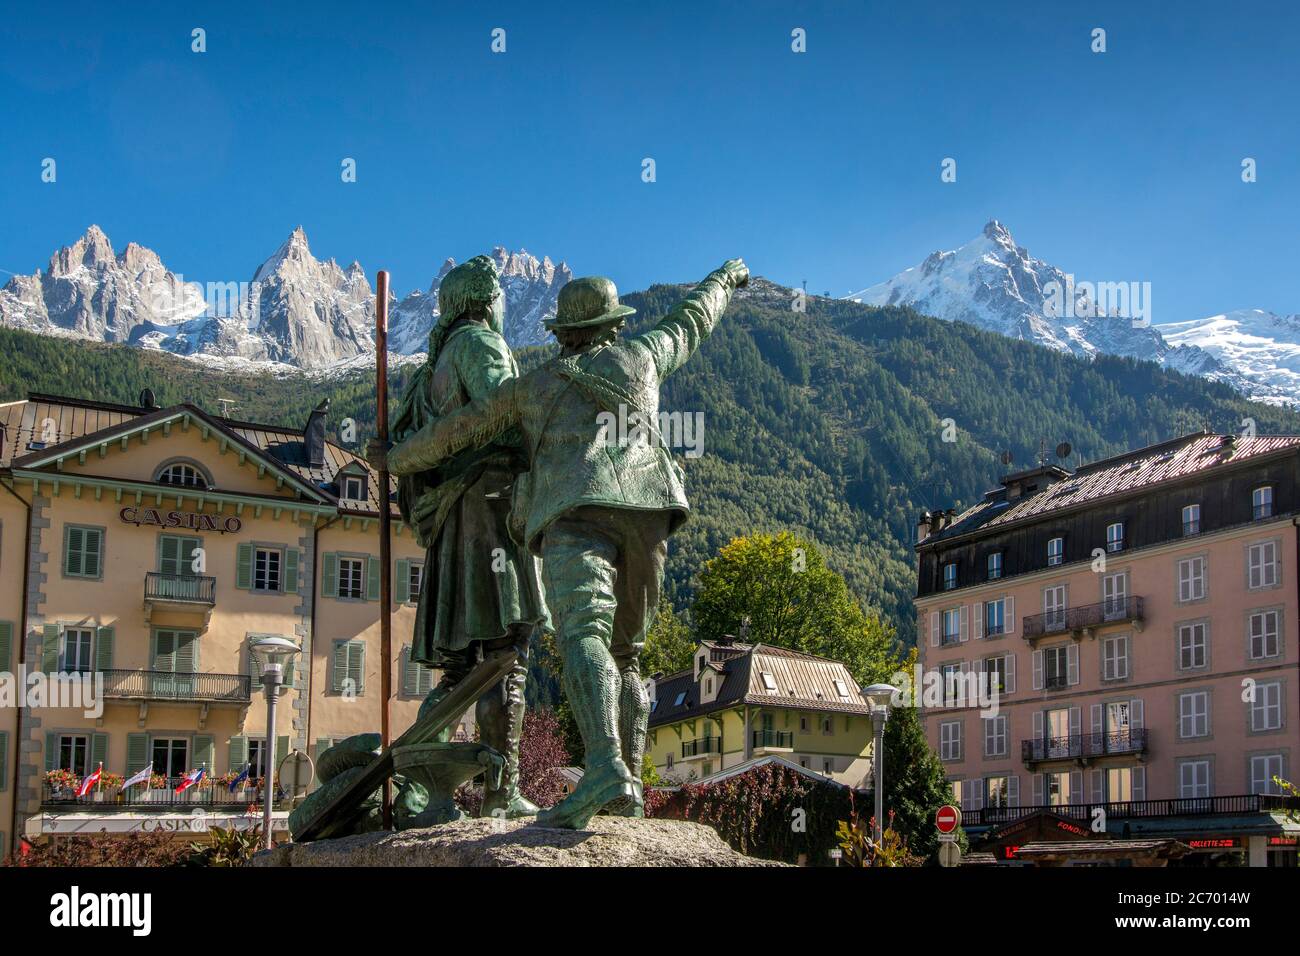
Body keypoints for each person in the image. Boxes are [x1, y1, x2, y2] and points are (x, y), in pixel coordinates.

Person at [375, 257, 749, 827]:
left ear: (564, 334)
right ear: (614, 324)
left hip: (575, 516)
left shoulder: (532, 387)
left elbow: (458, 431)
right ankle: (629, 789)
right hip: (650, 514)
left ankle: (603, 767)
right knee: (628, 654)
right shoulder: (645, 354)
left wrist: (394, 458)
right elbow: (694, 317)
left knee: (584, 636)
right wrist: (725, 279)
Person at [385, 254, 548, 819]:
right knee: (508, 653)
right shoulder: (480, 343)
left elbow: (420, 445)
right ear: (482, 300)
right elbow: (502, 411)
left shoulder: (432, 368)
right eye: (499, 295)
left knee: (459, 667)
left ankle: (419, 785)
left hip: (455, 518)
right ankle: (503, 791)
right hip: (493, 511)